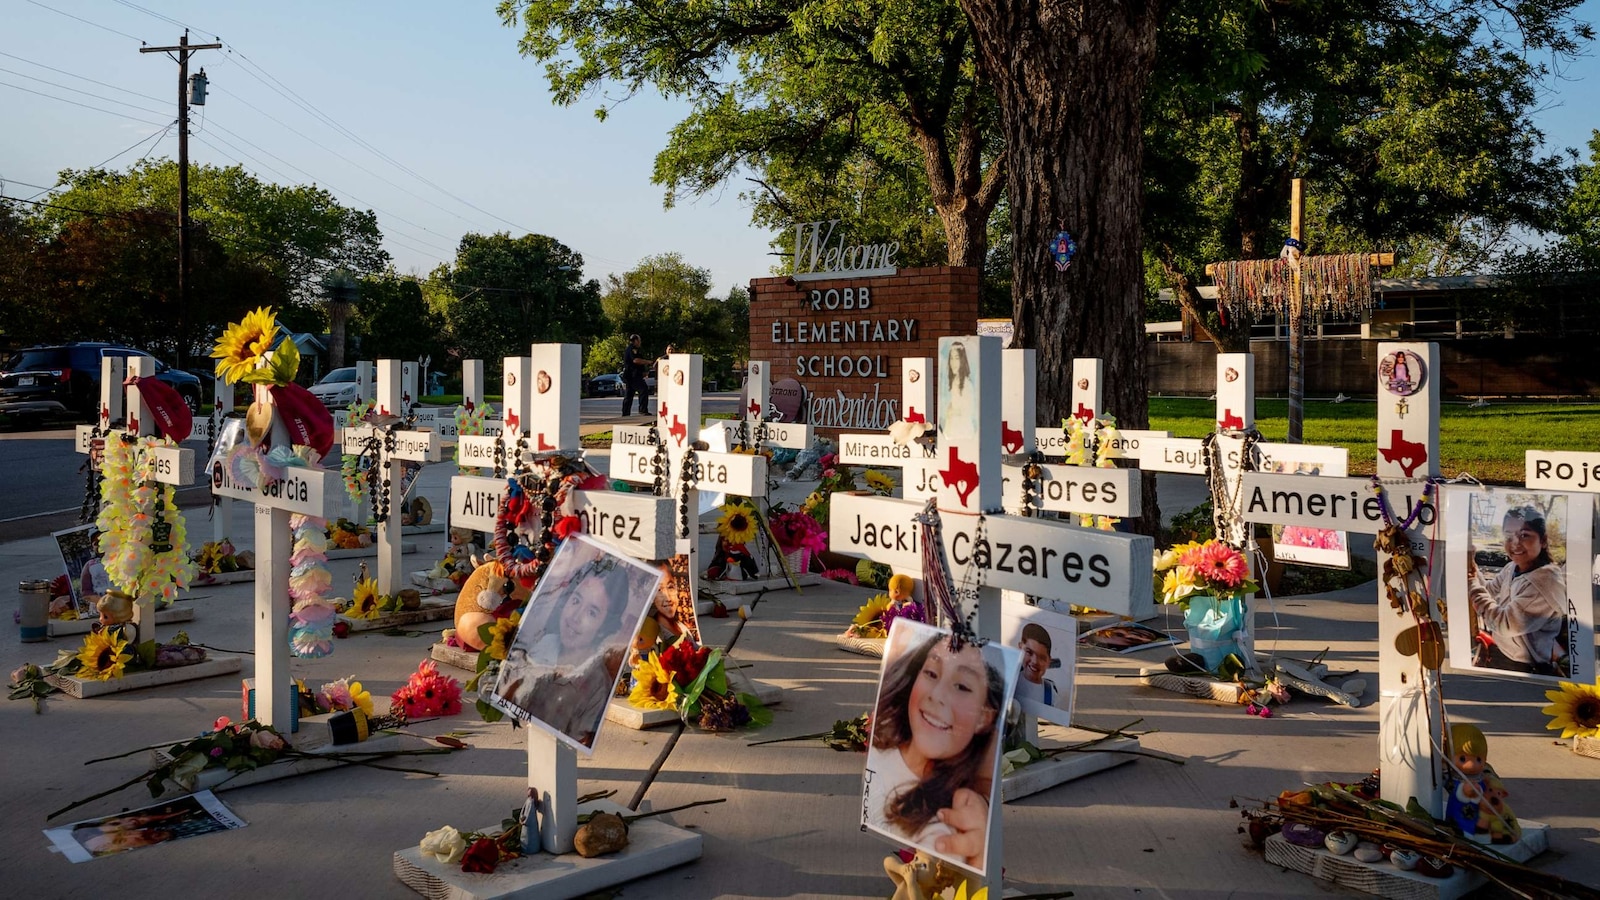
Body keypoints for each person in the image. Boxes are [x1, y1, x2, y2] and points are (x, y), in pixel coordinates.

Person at [865, 629, 1005, 869]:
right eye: (931, 673)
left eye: (962, 687)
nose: (937, 696)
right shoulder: (879, 749)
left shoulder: (951, 819)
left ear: (984, 718)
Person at [493, 558, 636, 747]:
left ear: (604, 627)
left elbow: (579, 737)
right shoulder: (540, 647)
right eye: (576, 600)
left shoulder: (595, 685)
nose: (575, 617)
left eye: (592, 612)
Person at [1468, 505, 1568, 677]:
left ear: (1543, 541)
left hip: (1524, 665)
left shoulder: (1543, 583)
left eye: (1524, 535)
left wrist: (1470, 580)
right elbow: (1488, 591)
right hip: (1503, 650)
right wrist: (1472, 567)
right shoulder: (1513, 566)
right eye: (1508, 535)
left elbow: (1503, 624)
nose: (1515, 543)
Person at [1012, 623, 1057, 707]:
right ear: (1020, 648)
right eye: (1029, 652)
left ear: (1048, 661)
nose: (1035, 661)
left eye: (1042, 657)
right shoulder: (1010, 680)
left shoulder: (1050, 692)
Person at [939, 340, 974, 433]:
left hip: (962, 430)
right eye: (951, 358)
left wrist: (951, 412)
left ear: (962, 360)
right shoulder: (954, 381)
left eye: (957, 358)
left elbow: (967, 411)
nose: (953, 362)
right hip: (952, 429)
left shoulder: (967, 384)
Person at [621, 333, 651, 417]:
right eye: (639, 340)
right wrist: (648, 362)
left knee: (629, 395)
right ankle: (643, 410)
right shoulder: (632, 349)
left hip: (632, 376)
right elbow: (636, 360)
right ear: (636, 341)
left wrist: (644, 371)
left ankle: (625, 413)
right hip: (633, 376)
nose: (640, 342)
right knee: (643, 389)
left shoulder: (633, 349)